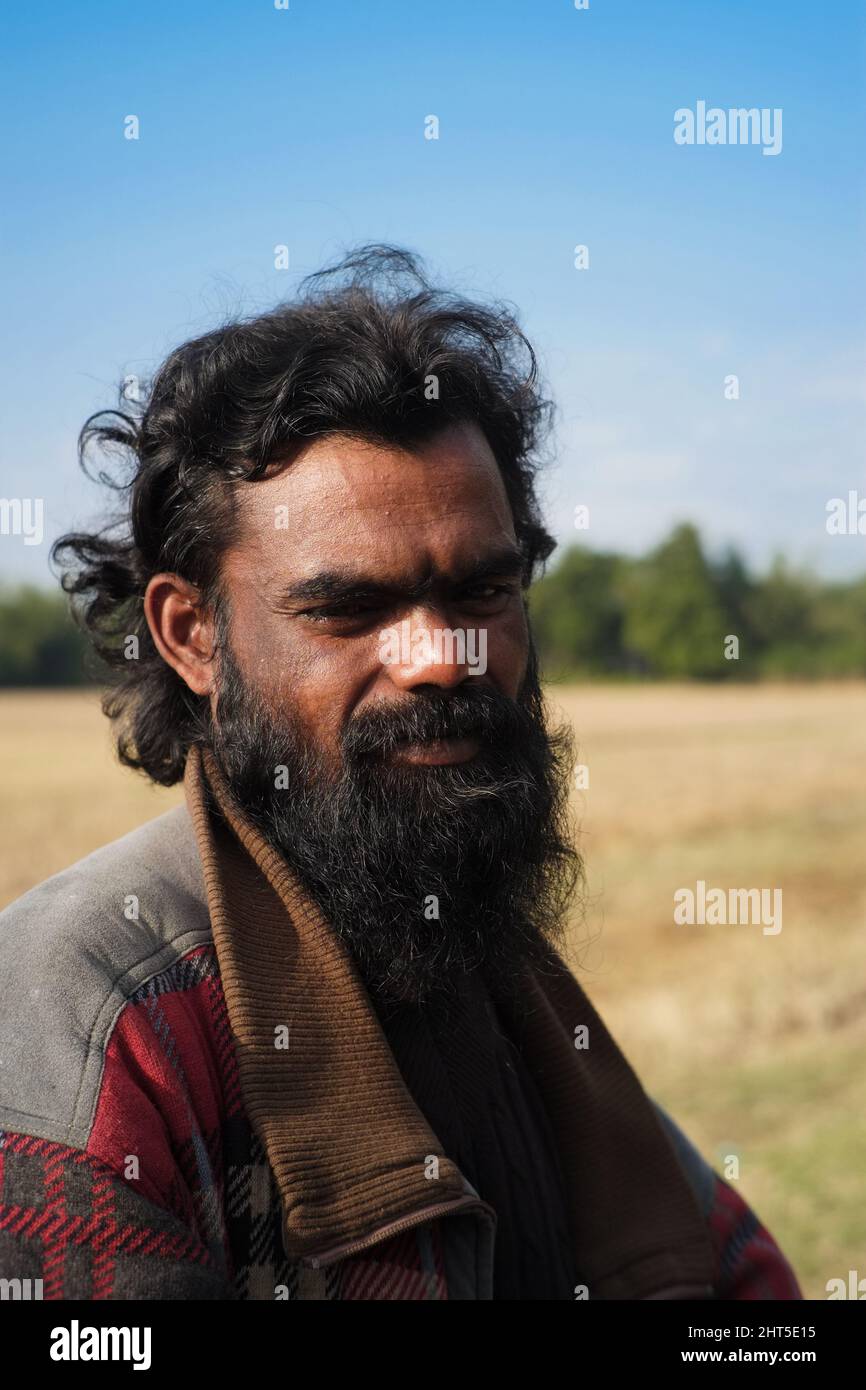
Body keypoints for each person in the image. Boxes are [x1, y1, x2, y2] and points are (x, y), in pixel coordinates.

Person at [0, 246, 802, 1300]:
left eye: (480, 593)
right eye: (347, 609)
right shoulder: (93, 1026)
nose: (440, 659)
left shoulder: (483, 966)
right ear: (193, 636)